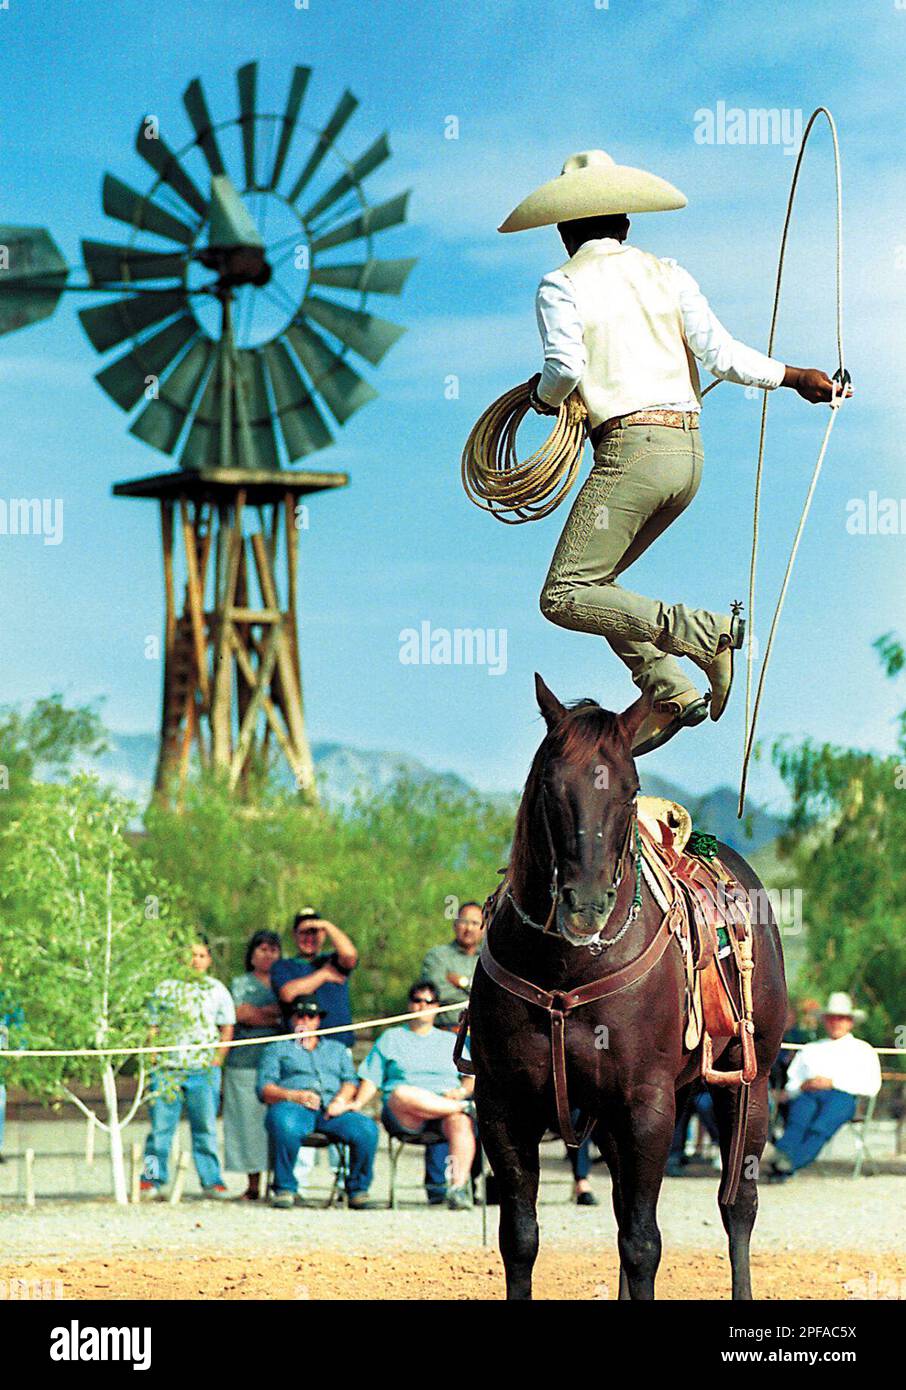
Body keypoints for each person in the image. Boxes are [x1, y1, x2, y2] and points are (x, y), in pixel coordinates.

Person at [498, 149, 851, 756]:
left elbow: (564, 366)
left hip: (629, 456)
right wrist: (796, 377)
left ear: (563, 229)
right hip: (687, 459)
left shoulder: (561, 284)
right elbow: (723, 355)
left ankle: (706, 634)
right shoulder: (668, 272)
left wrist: (542, 398)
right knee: (599, 587)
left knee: (563, 594)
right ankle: (670, 690)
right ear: (627, 222)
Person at [353, 980, 476, 1210]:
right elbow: (371, 1078)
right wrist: (357, 1103)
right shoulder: (392, 1037)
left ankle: (457, 1188)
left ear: (437, 1006)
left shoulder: (451, 1040)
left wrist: (461, 1092)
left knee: (461, 1123)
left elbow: (470, 1078)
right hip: (405, 1113)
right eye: (418, 1000)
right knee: (402, 1093)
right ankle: (464, 1108)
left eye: (429, 1001)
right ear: (410, 1005)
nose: (423, 1006)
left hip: (445, 1110)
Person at [257, 999, 378, 1209]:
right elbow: (264, 1089)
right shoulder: (276, 1049)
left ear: (319, 1020)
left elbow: (350, 1081)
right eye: (299, 1015)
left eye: (310, 1016)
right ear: (291, 1019)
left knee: (367, 1129)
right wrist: (293, 1095)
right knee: (282, 1123)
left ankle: (357, 1189)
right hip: (294, 1107)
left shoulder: (337, 1049)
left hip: (332, 1108)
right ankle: (285, 1188)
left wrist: (341, 1100)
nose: (304, 1020)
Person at [141, 936, 235, 1200]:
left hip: (203, 1070)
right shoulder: (164, 989)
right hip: (168, 1069)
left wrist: (218, 1058)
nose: (196, 961)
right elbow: (153, 1025)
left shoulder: (217, 990)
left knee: (205, 1128)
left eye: (201, 955)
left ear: (209, 960)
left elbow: (227, 1026)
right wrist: (154, 1056)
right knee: (160, 1130)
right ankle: (151, 1179)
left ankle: (211, 1180)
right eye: (191, 955)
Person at [762, 992, 881, 1178]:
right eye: (832, 1018)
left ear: (850, 1022)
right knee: (797, 1122)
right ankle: (782, 1160)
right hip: (808, 1094)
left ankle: (789, 1162)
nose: (836, 1023)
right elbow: (794, 1080)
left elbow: (871, 1084)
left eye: (841, 1019)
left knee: (820, 1127)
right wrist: (802, 1086)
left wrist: (833, 1082)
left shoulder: (862, 1050)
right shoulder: (811, 1049)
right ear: (825, 1021)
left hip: (842, 1096)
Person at [223, 929, 283, 1201]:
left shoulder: (286, 980)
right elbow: (240, 1014)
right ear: (251, 953)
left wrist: (262, 1015)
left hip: (280, 1064)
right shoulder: (240, 983)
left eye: (273, 949)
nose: (267, 954)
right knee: (247, 1124)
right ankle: (252, 1184)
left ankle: (283, 1182)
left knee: (279, 1123)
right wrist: (272, 1015)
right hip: (244, 1062)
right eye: (262, 948)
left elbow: (289, 1014)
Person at [271, 908, 357, 1047]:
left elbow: (350, 955)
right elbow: (288, 993)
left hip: (338, 1046)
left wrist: (326, 925)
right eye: (304, 933)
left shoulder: (334, 960)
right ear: (294, 935)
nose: (309, 938)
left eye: (314, 932)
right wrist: (323, 975)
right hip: (299, 1048)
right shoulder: (283, 966)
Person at [421, 901, 484, 1010]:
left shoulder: (490, 961)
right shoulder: (437, 956)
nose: (469, 928)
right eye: (464, 922)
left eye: (475, 923)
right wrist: (479, 996)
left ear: (484, 928)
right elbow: (436, 993)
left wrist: (463, 983)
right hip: (445, 1026)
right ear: (455, 925)